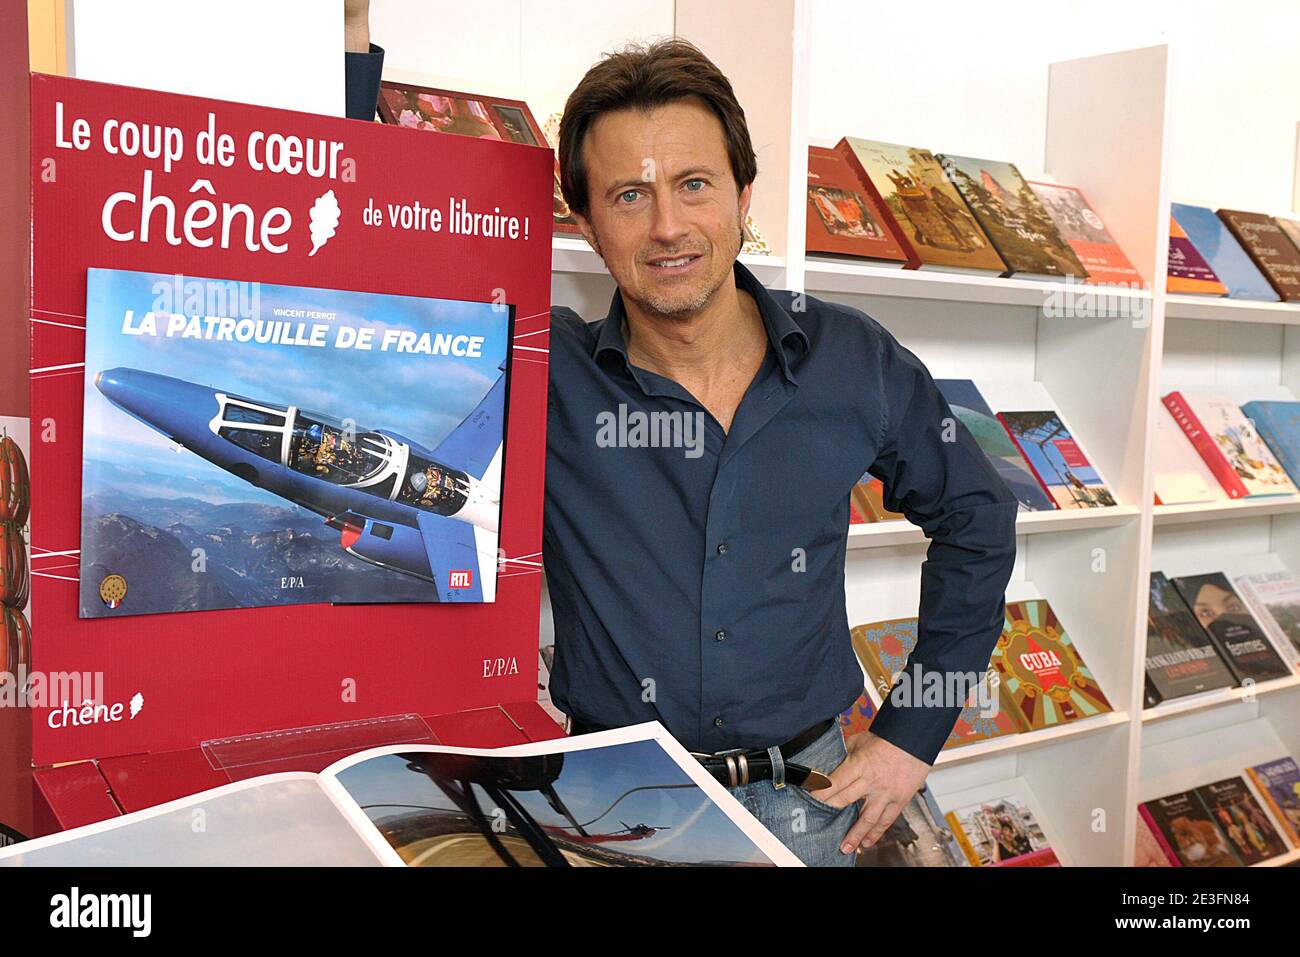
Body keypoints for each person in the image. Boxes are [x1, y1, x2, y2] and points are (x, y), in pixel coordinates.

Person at [346, 24, 1018, 866]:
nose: (668, 225)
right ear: (588, 223)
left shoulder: (854, 360)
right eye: (629, 195)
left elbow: (980, 519)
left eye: (695, 184)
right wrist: (345, 49)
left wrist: (914, 733)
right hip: (613, 811)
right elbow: (362, 293)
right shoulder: (536, 371)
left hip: (820, 802)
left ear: (744, 196)